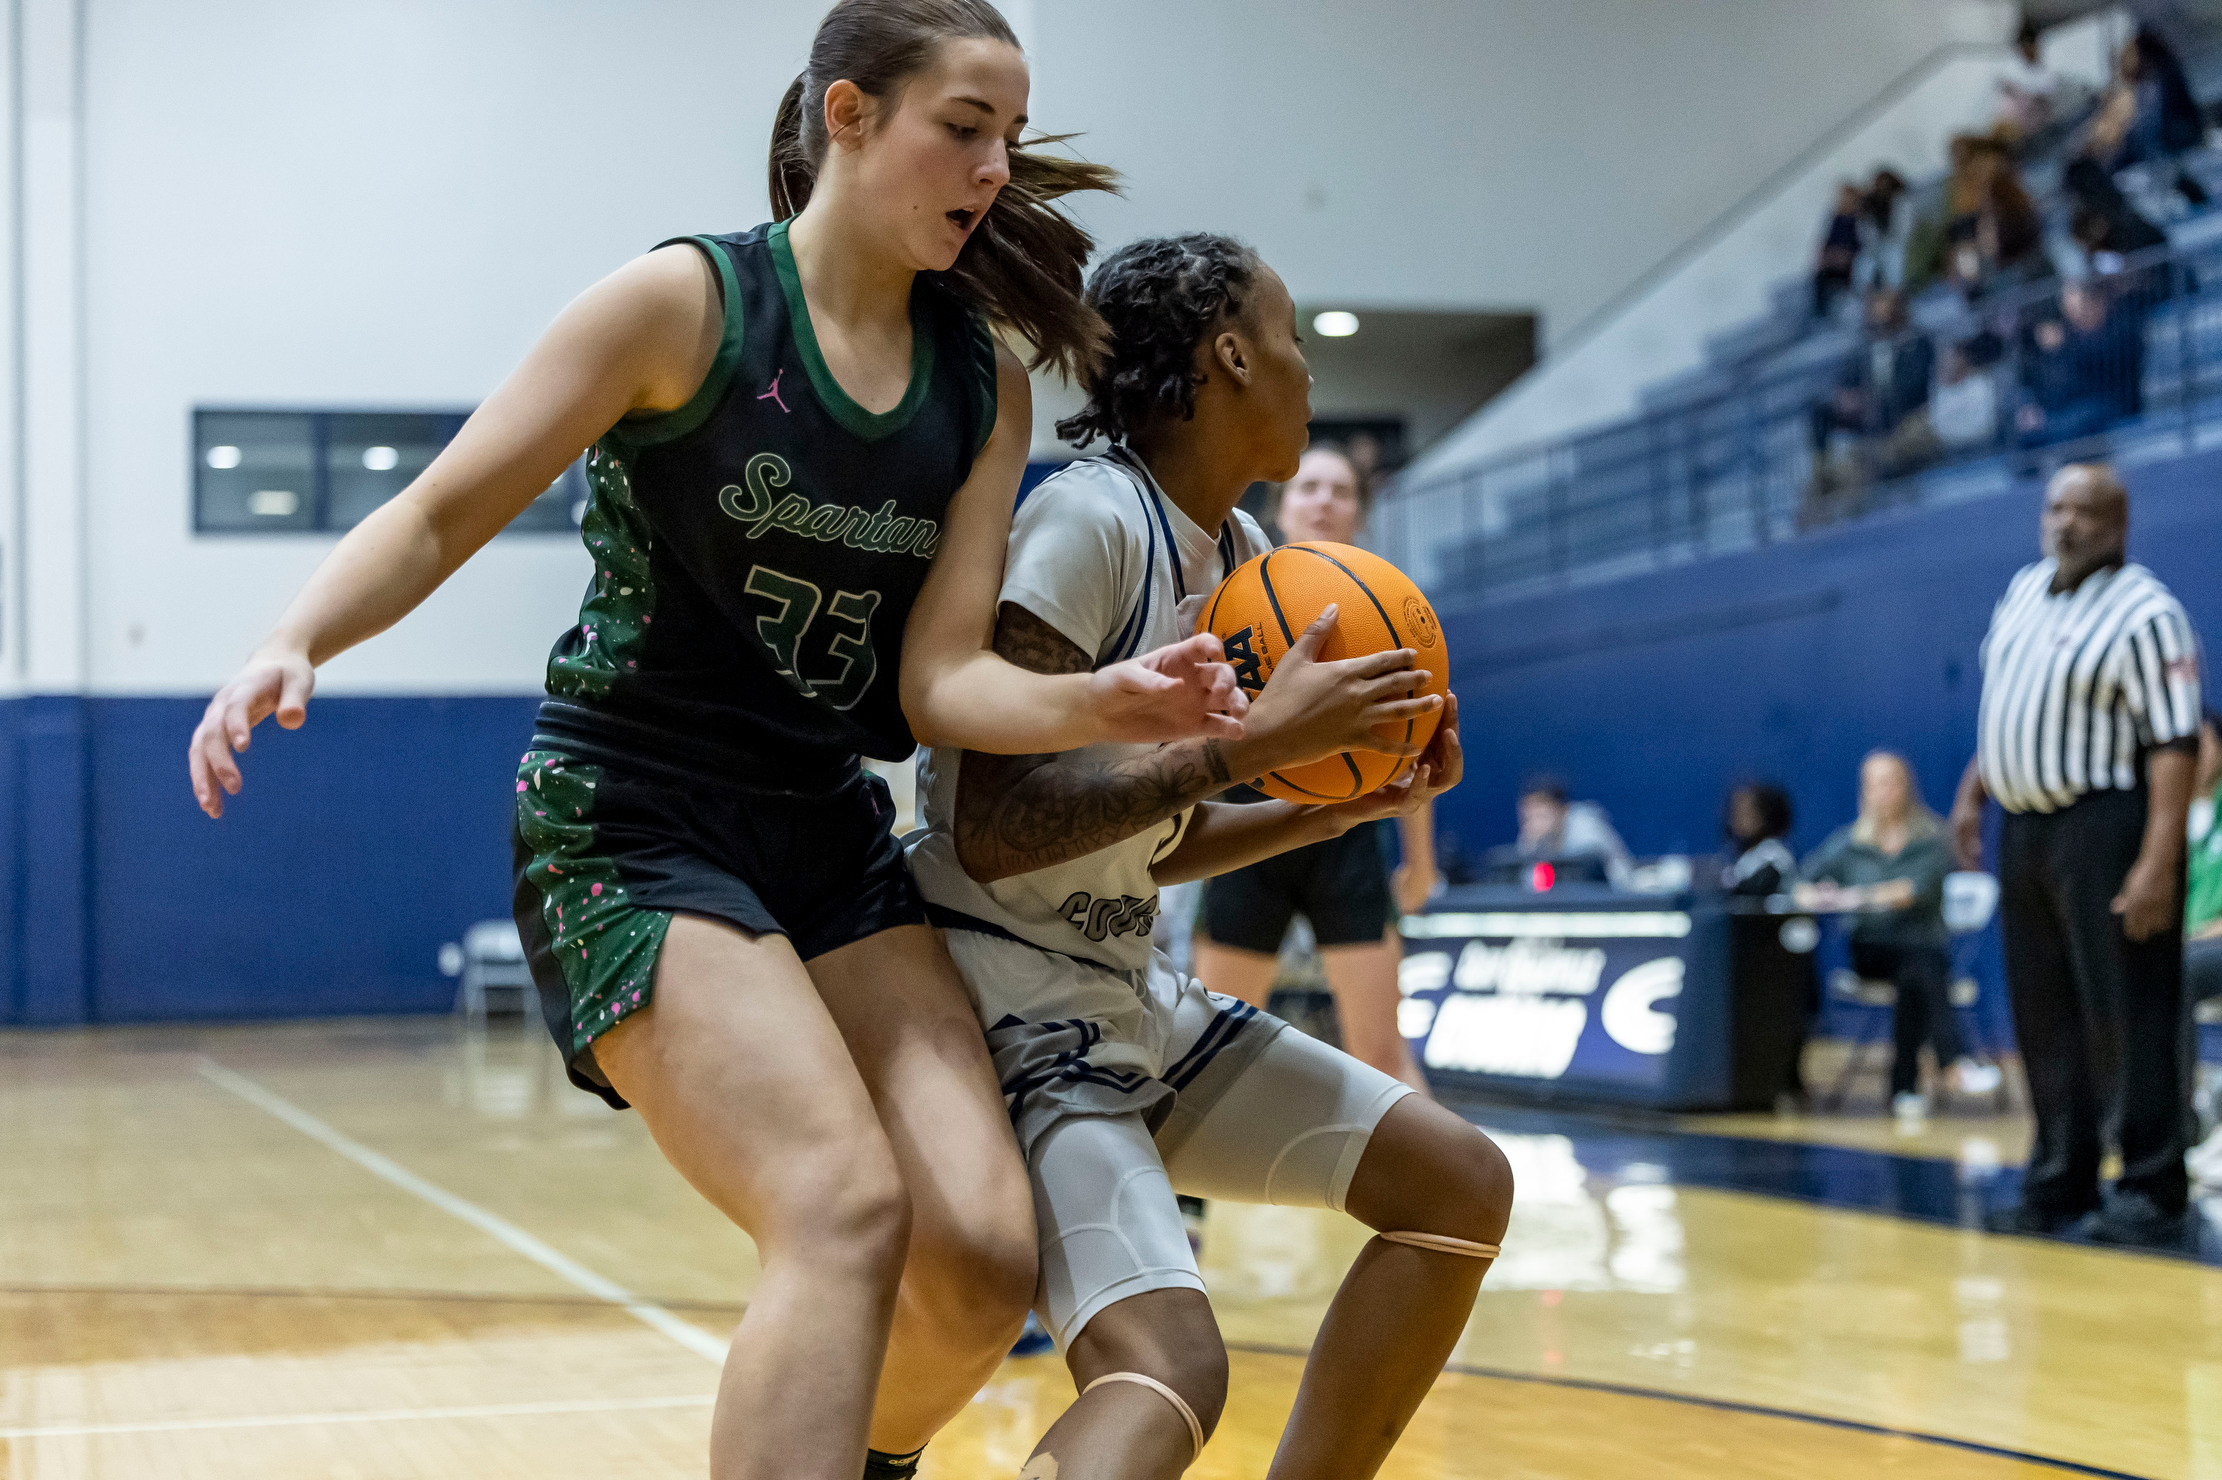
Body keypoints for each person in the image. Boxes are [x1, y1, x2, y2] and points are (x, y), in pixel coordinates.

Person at [184, 6, 1254, 1476]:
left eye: (1010, 134)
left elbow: (943, 686)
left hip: (820, 828)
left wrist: (1108, 704)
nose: (997, 166)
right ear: (851, 115)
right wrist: (292, 636)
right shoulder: (684, 307)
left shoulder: (980, 384)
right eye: (965, 126)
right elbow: (439, 508)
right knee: (840, 1204)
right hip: (628, 819)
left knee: (978, 1252)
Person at [908, 233, 1512, 1480]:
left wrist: (1348, 800)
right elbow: (991, 820)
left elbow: (1157, 839)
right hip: (1006, 1002)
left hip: (1123, 987)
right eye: (1290, 340)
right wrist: (1245, 755)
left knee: (1455, 1183)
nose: (1303, 371)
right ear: (1230, 355)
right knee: (1168, 1368)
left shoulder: (1236, 553)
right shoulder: (1088, 516)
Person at [1950, 463, 2203, 1248]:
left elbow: (2174, 744)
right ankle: (2060, 1178)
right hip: (2025, 831)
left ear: (2119, 523)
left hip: (2108, 827)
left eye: (2085, 512)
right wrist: (1973, 794)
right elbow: (2007, 707)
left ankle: (2152, 1187)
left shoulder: (2147, 612)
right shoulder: (2023, 589)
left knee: (2127, 1010)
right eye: (2056, 507)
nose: (2066, 523)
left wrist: (2157, 862)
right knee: (2046, 1016)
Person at [1193, 442, 1437, 1096]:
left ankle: (1429, 1192)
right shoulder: (1234, 594)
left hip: (1352, 830)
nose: (1325, 500)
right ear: (1281, 506)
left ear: (1359, 511)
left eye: (1341, 490)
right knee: (1208, 1048)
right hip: (1246, 823)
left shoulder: (1392, 603)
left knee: (1382, 1052)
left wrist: (1421, 859)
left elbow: (1421, 735)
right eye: (1310, 488)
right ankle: (1173, 1200)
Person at [1797, 752, 2001, 1120]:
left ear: (1907, 786)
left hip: (1923, 951)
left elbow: (1912, 892)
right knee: (1920, 968)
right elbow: (1800, 881)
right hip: (1872, 952)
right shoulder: (1849, 843)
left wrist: (1856, 896)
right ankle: (1952, 1061)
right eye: (1874, 783)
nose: (1883, 791)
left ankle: (1905, 1088)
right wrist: (1819, 894)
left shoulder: (1933, 838)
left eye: (1890, 781)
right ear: (1864, 791)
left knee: (1914, 975)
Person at [2085, 26, 2209, 208]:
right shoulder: (2157, 79)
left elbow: (2152, 126)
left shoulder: (2160, 81)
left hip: (2174, 142)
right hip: (2171, 144)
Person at [2016, 280, 2144, 449]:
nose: (2075, 317)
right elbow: (2052, 385)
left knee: (2078, 421)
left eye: (2079, 309)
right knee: (2027, 430)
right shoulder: (2068, 336)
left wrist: (2064, 346)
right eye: (2070, 311)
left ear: (2096, 302)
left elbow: (2103, 369)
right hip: (2071, 409)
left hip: (2113, 402)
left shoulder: (2121, 326)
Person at [1506, 776, 1632, 886]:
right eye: (1528, 817)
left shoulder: (1587, 831)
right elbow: (1530, 887)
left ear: (1563, 810)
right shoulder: (1531, 838)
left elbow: (1606, 880)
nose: (1534, 823)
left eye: (1541, 815)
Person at [1722, 782, 1797, 895]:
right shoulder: (1747, 855)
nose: (1737, 819)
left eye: (1747, 813)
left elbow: (1756, 889)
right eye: (1735, 812)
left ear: (1767, 815)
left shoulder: (1773, 856)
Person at [1996, 18, 2062, 141]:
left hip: (2037, 129)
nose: (2029, 51)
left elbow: (2047, 97)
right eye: (2025, 47)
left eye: (2032, 46)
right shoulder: (2011, 70)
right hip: (2012, 127)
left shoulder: (2046, 74)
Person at [1814, 182, 1866, 321]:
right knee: (1820, 275)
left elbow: (1861, 242)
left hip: (1850, 258)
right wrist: (1826, 257)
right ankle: (1820, 313)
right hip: (1834, 258)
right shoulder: (1836, 218)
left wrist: (1847, 255)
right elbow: (1827, 241)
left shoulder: (1858, 218)